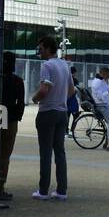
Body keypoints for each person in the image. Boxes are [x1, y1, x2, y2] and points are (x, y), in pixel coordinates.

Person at [32, 35, 72, 200]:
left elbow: (44, 90)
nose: (39, 52)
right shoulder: (65, 65)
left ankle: (43, 191)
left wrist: (35, 98)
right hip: (62, 112)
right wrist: (60, 99)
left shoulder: (47, 65)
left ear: (48, 48)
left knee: (46, 153)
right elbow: (72, 90)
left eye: (41, 49)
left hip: (47, 112)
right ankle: (61, 190)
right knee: (60, 152)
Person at [0, 51, 25, 200]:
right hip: (11, 117)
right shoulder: (17, 80)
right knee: (6, 153)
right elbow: (21, 102)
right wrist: (17, 116)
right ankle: (0, 186)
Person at [89, 66, 109, 151]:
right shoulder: (97, 83)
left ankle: (107, 142)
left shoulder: (102, 81)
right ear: (103, 73)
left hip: (105, 105)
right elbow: (100, 97)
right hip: (101, 105)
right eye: (108, 75)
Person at [66, 66, 80, 138]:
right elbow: (75, 90)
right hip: (72, 100)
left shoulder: (65, 79)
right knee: (76, 116)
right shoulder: (74, 80)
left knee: (67, 115)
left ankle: (66, 131)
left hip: (66, 99)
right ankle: (71, 131)